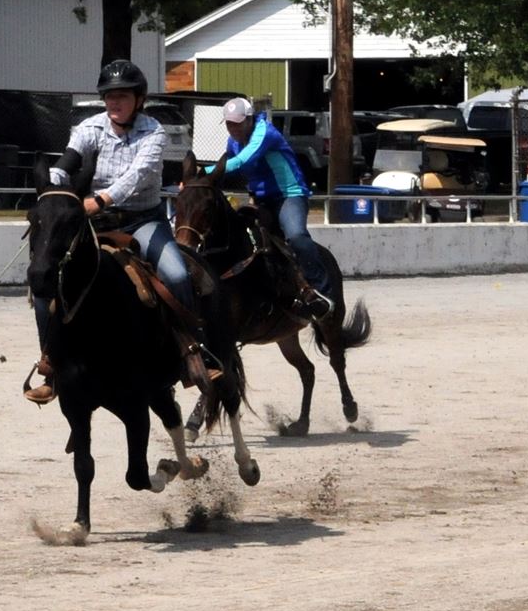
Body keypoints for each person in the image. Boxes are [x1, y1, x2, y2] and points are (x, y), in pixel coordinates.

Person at [24, 59, 219, 405]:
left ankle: (193, 352)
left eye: (122, 96)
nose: (114, 103)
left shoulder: (154, 132)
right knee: (46, 282)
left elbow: (138, 176)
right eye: (109, 96)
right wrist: (52, 187)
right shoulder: (89, 129)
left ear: (139, 99)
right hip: (93, 225)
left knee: (175, 274)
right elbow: (67, 163)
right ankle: (51, 362)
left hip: (142, 221)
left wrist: (99, 199)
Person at [218, 96, 332, 319]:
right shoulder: (232, 143)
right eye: (229, 124)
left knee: (296, 236)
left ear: (249, 120)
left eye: (238, 123)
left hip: (289, 196)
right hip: (262, 200)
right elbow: (231, 174)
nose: (233, 128)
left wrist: (204, 172)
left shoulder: (265, 133)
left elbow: (241, 162)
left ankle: (321, 290)